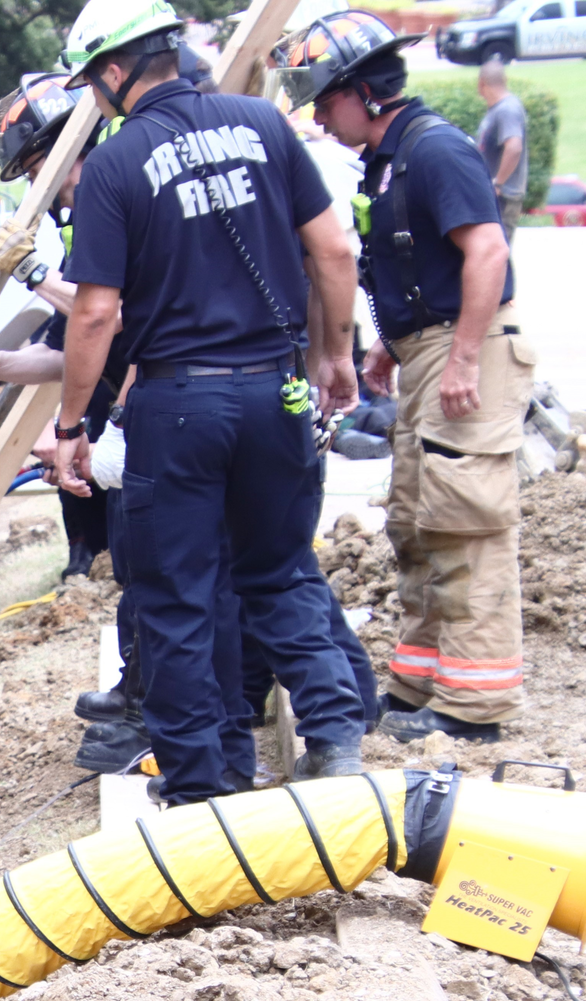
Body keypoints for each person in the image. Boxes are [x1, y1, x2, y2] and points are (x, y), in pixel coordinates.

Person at [49, 0, 368, 806]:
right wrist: (334, 354)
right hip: (276, 388)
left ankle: (205, 784)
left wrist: (70, 425)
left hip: (180, 404)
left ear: (115, 72)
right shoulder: (263, 123)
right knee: (281, 571)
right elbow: (333, 248)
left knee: (178, 596)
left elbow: (94, 313)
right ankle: (333, 740)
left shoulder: (118, 167)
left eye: (93, 81)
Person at [281, 12, 531, 745]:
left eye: (325, 101)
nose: (319, 116)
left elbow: (486, 253)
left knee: (466, 522)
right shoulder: (391, 160)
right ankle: (423, 682)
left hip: (467, 350)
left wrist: (459, 358)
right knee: (419, 521)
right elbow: (419, 260)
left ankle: (474, 707)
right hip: (430, 348)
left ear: (365, 92)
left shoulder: (436, 152)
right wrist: (392, 347)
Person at [0, 75, 150, 776]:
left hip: (159, 405)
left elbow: (111, 312)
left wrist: (36, 271)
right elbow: (69, 341)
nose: (40, 188)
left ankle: (153, 710)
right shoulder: (88, 219)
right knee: (136, 560)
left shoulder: (123, 199)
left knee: (157, 562)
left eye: (37, 170)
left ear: (65, 149)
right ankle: (138, 690)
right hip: (134, 406)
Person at [475, 59, 528, 242]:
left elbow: (514, 147)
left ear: (481, 83)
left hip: (503, 196)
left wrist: (498, 184)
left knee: (497, 254)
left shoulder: (507, 109)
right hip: (496, 195)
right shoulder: (499, 109)